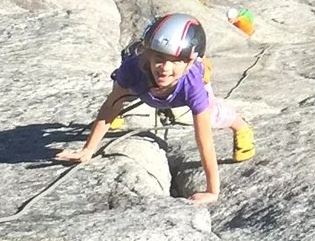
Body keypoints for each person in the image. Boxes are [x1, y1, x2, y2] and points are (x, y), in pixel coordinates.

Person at [55, 12, 254, 204]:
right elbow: (110, 105)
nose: (165, 68)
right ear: (149, 55)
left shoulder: (192, 84)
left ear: (191, 62)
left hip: (179, 91)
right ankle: (130, 112)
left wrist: (212, 191)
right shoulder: (133, 70)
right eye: (159, 58)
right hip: (147, 86)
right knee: (122, 89)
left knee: (212, 116)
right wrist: (88, 149)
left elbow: (204, 140)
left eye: (176, 61)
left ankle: (241, 126)